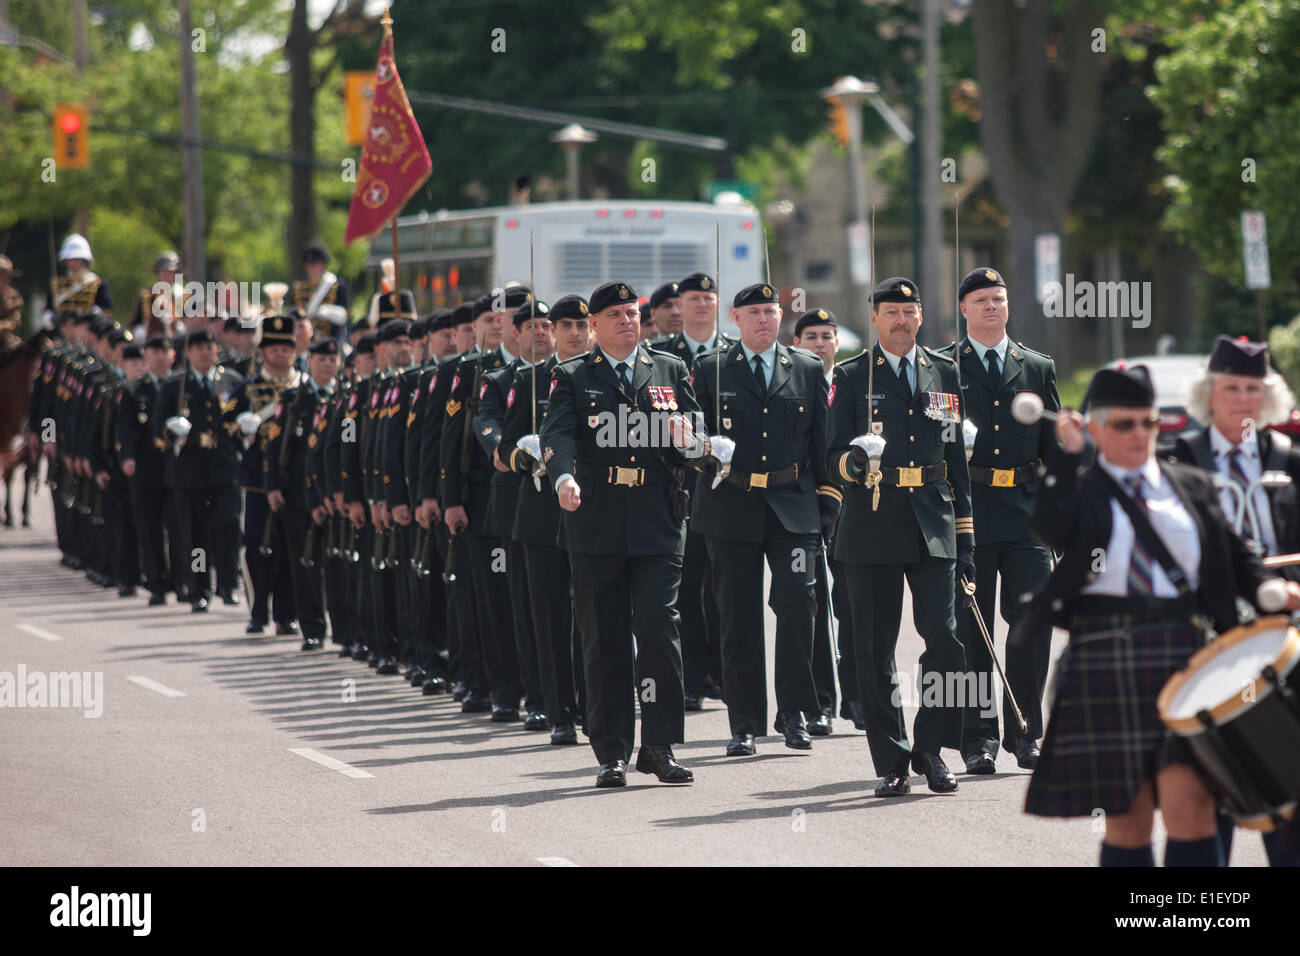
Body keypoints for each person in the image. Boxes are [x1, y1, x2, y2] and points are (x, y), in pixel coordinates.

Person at [1024, 364, 1300, 866]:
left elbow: (1237, 557)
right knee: (1128, 820)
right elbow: (1051, 526)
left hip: (1188, 656)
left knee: (1192, 808)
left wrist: (1270, 590)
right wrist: (1066, 456)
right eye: (1124, 425)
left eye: (1148, 423)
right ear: (1097, 428)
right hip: (1106, 655)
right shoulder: (1083, 490)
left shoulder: (1190, 484)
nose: (1139, 435)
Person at [540, 280, 704, 788]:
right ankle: (612, 750)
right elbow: (558, 433)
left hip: (656, 519)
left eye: (632, 313)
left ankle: (659, 745)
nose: (627, 322)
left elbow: (696, 434)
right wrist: (563, 477)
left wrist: (688, 438)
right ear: (594, 326)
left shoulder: (670, 369)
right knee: (604, 638)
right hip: (596, 521)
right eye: (615, 315)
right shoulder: (570, 375)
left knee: (658, 627)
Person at [826, 277, 972, 796]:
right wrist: (852, 460)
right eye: (891, 311)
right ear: (875, 319)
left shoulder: (944, 372)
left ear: (921, 317)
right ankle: (890, 760)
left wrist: (966, 539)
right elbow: (828, 453)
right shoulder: (851, 375)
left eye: (910, 311)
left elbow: (955, 460)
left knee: (946, 641)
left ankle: (930, 749)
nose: (902, 320)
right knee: (874, 647)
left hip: (933, 521)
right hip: (871, 521)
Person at [1167, 334, 1300, 866]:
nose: (1243, 399)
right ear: (1209, 393)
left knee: (1287, 791)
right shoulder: (1180, 460)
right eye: (1232, 388)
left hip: (1284, 640)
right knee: (1207, 791)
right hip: (1210, 640)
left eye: (1253, 388)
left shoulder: (1289, 458)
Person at [690, 283, 839, 755]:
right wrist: (708, 453)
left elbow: (823, 444)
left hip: (792, 504)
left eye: (771, 312)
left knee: (799, 605)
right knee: (737, 615)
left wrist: (828, 505)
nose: (764, 320)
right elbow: (693, 443)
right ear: (736, 318)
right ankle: (745, 723)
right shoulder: (711, 368)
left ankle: (795, 712)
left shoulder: (808, 367)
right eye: (753, 312)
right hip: (731, 504)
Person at [936, 267, 1059, 774]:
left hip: (1028, 513)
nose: (992, 306)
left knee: (1032, 622)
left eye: (999, 298)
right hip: (970, 514)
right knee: (973, 628)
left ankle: (1026, 732)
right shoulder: (943, 366)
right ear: (963, 309)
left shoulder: (1036, 366)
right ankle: (978, 738)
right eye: (981, 300)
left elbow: (1054, 449)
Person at [499, 293, 591, 744]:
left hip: (594, 510)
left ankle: (598, 706)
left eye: (581, 326)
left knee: (594, 616)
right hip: (539, 513)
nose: (575, 334)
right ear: (551, 331)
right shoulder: (531, 378)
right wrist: (522, 454)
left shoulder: (603, 378)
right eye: (565, 326)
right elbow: (503, 440)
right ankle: (558, 712)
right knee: (550, 615)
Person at [441, 288, 529, 719]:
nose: (503, 324)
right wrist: (448, 499)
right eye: (500, 317)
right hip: (483, 504)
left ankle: (542, 690)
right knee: (491, 599)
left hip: (535, 505)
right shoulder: (475, 372)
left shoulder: (549, 370)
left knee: (532, 600)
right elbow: (448, 439)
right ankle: (498, 689)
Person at [651, 271, 732, 710]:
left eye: (708, 297)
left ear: (718, 304)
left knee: (725, 588)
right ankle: (693, 678)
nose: (701, 304)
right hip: (684, 485)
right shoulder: (661, 356)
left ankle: (723, 673)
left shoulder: (734, 354)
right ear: (678, 306)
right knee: (687, 585)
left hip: (728, 486)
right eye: (693, 298)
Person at [793, 308, 856, 733]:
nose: (819, 343)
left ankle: (858, 696)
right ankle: (818, 703)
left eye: (827, 336)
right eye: (811, 335)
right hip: (810, 507)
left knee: (853, 608)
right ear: (797, 343)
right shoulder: (794, 380)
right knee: (812, 606)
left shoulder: (855, 381)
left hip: (859, 510)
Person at [153, 329, 245, 612]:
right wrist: (171, 431)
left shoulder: (231, 382)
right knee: (195, 534)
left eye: (210, 346)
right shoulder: (174, 386)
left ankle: (228, 584)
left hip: (225, 468)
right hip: (190, 471)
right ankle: (199, 588)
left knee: (229, 524)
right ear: (188, 352)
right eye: (199, 347)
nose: (206, 352)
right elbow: (157, 430)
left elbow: (241, 417)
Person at [227, 314, 303, 635]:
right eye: (273, 348)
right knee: (257, 547)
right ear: (262, 351)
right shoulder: (248, 389)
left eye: (286, 347)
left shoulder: (303, 387)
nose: (280, 353)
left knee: (290, 550)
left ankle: (286, 614)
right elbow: (226, 427)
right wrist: (244, 430)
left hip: (296, 482)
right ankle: (258, 611)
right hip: (258, 482)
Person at [266, 338, 341, 651]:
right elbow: (275, 443)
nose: (327, 364)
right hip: (299, 493)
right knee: (305, 562)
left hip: (335, 493)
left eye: (332, 359)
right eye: (321, 358)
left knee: (336, 564)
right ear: (309, 361)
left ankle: (344, 628)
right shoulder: (295, 398)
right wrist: (272, 485)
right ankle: (312, 628)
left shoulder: (345, 396)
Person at [116, 335, 177, 605]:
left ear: (172, 356)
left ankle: (184, 579)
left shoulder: (179, 386)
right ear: (147, 358)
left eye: (165, 352)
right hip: (145, 467)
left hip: (176, 468)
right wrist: (126, 456)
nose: (160, 357)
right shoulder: (133, 390)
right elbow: (124, 427)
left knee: (178, 528)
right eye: (154, 353)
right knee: (149, 529)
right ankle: (156, 583)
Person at [292, 243, 351, 341]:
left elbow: (344, 315)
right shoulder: (298, 288)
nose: (311, 268)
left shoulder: (338, 286)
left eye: (315, 264)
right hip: (305, 339)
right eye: (308, 265)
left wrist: (325, 312)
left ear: (323, 265)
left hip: (332, 338)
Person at [51, 234, 113, 318]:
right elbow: (49, 308)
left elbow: (106, 309)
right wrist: (50, 317)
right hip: (63, 328)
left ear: (84, 260)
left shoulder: (99, 283)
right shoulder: (57, 284)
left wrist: (95, 313)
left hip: (90, 327)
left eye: (78, 259)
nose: (74, 262)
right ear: (65, 261)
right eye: (71, 259)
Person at [131, 251, 188, 340]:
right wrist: (140, 331)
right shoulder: (146, 297)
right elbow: (136, 322)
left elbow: (191, 321)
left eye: (170, 273)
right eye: (163, 273)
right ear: (158, 274)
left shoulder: (183, 296)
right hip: (151, 341)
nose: (167, 276)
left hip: (178, 341)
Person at [0, 255, 24, 351]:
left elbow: (14, 322)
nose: (7, 280)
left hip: (7, 342)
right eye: (2, 276)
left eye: (8, 276)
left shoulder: (14, 297)